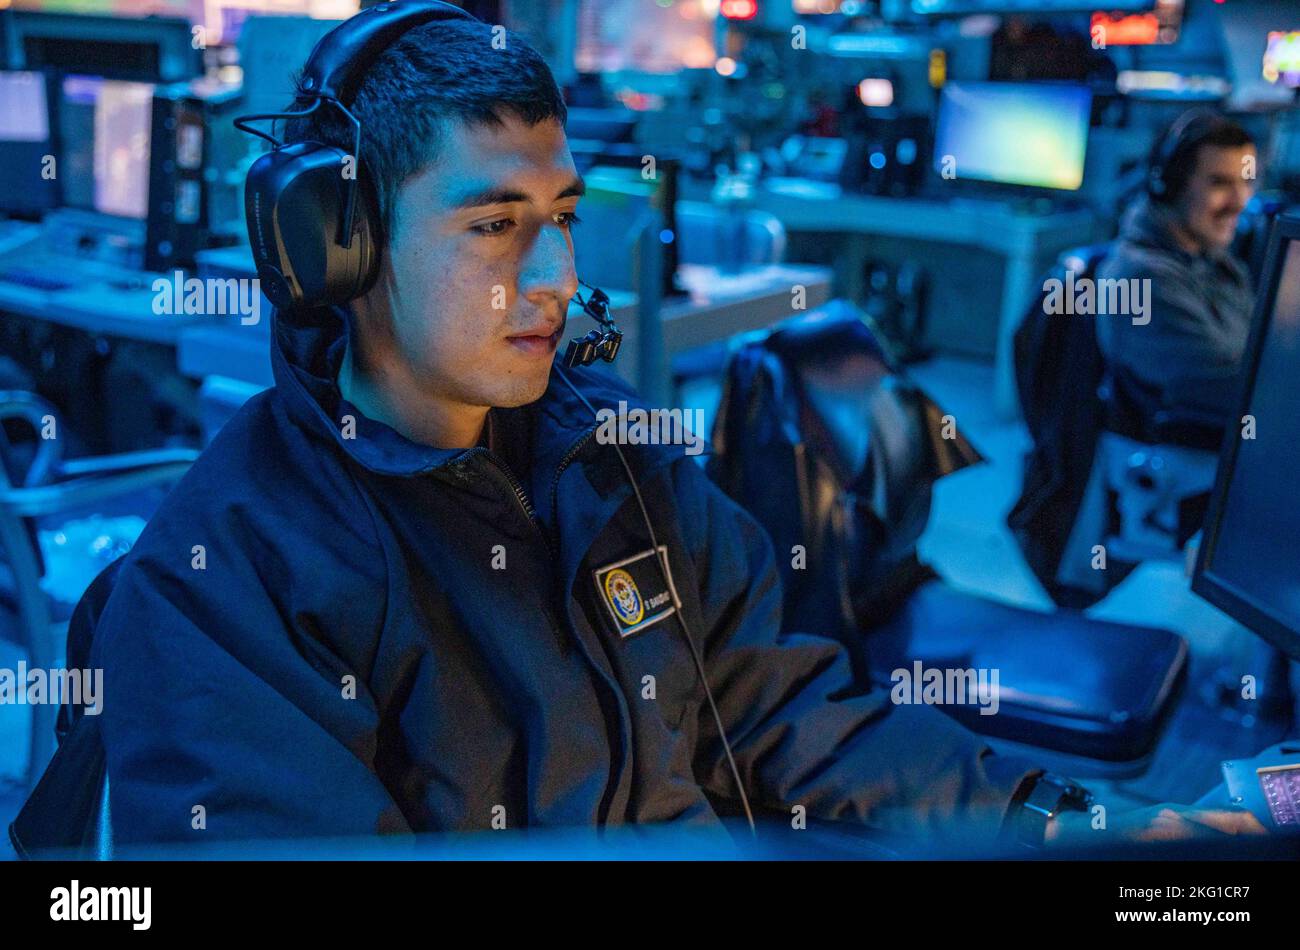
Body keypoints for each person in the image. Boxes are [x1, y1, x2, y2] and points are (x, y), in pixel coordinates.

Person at [81, 8, 1263, 853]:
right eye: (495, 225)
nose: (556, 276)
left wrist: (1048, 816)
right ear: (340, 243)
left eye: (563, 217)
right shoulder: (222, 583)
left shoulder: (620, 469)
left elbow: (782, 716)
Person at [1095, 110, 1257, 424]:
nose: (1240, 202)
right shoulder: (1141, 280)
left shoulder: (1211, 258)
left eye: (1246, 182)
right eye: (1220, 183)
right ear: (1170, 185)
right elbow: (1240, 392)